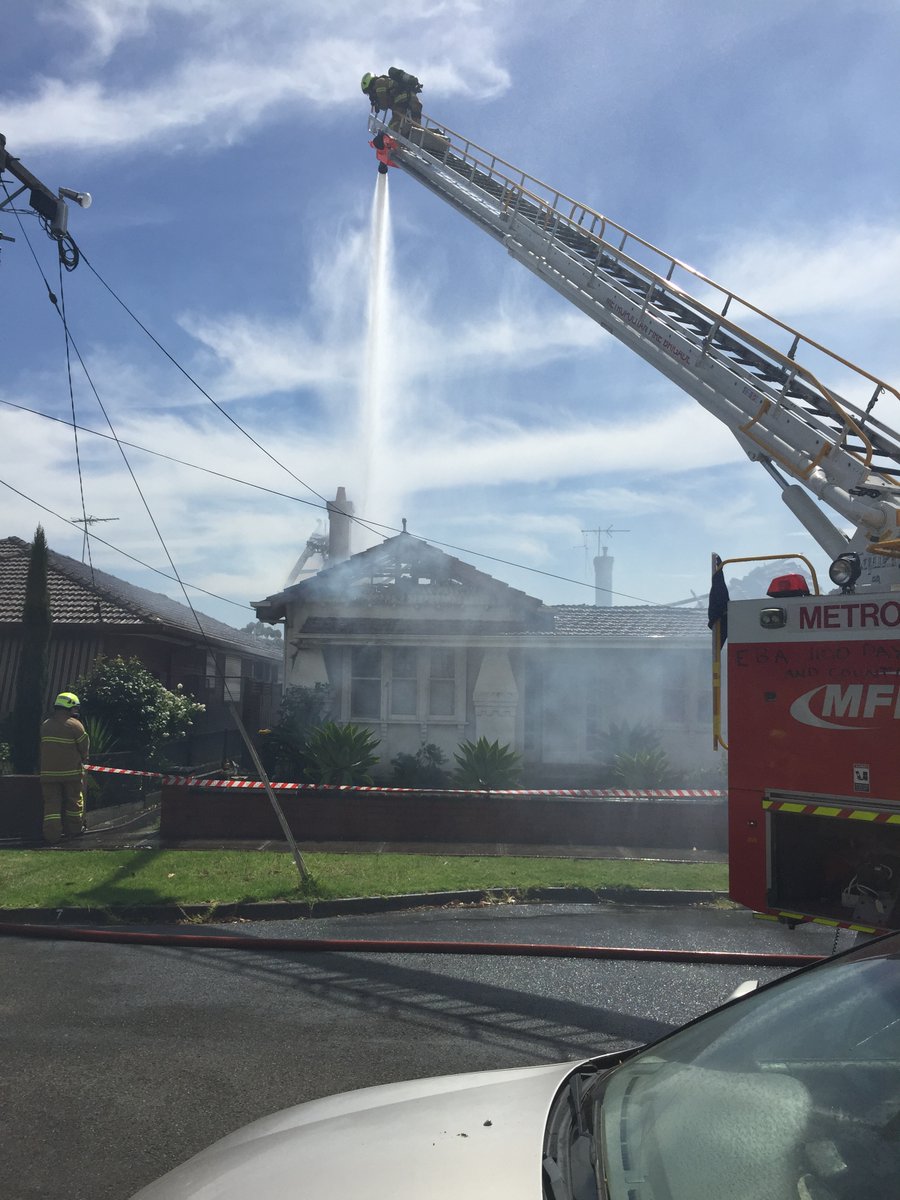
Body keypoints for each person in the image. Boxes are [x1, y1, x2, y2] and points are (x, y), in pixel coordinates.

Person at [40, 691, 90, 843]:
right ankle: (74, 831)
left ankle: (51, 836)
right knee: (73, 802)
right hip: (71, 774)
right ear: (69, 707)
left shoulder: (46, 725)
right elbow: (84, 748)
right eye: (75, 708)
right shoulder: (75, 725)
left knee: (51, 806)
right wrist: (83, 758)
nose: (76, 711)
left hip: (48, 774)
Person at [361, 68, 423, 132]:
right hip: (414, 103)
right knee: (415, 129)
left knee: (391, 130)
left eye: (368, 92)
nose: (370, 95)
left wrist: (377, 104)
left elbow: (383, 105)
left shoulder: (379, 83)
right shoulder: (387, 81)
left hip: (402, 104)